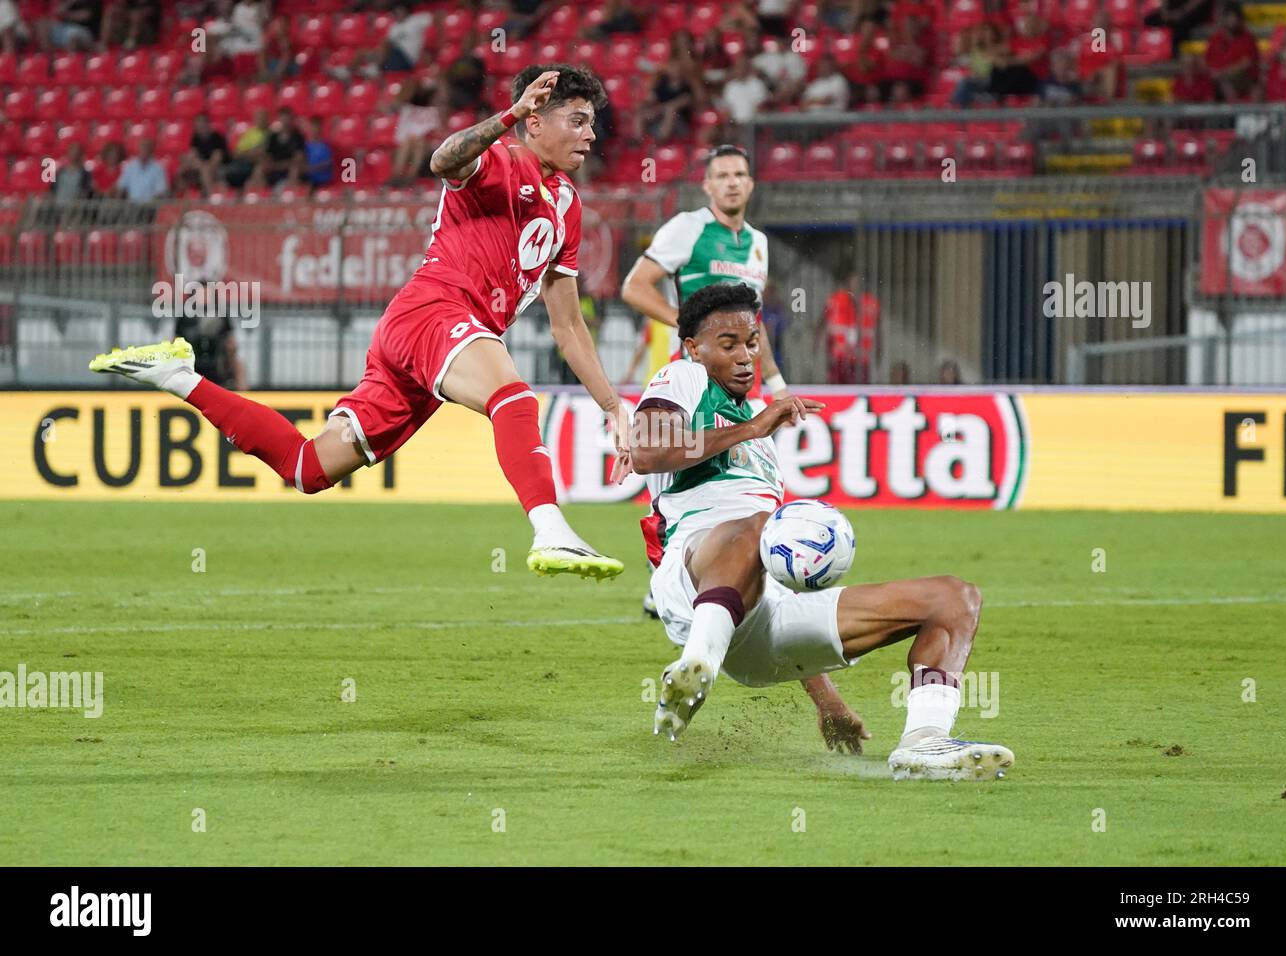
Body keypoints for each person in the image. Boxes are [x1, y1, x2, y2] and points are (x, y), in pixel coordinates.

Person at [90, 65, 628, 581]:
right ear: (535, 119)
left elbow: (569, 327)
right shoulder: (502, 161)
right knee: (513, 397)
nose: (591, 134)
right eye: (576, 120)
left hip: (427, 341)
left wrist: (612, 407)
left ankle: (177, 377)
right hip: (434, 312)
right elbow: (443, 160)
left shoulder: (568, 206)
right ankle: (550, 527)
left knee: (308, 468)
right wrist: (507, 115)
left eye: (592, 122)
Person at [631, 283, 1014, 779]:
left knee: (954, 599)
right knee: (758, 528)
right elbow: (645, 451)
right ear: (694, 349)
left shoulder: (764, 451)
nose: (746, 356)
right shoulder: (683, 378)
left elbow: (768, 565)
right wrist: (751, 428)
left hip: (760, 622)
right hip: (691, 577)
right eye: (729, 344)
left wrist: (827, 701)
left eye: (752, 342)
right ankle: (695, 666)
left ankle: (925, 743)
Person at [621, 143, 791, 618]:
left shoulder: (757, 242)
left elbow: (751, 322)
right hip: (697, 377)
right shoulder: (689, 228)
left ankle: (741, 577)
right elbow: (635, 286)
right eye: (723, 175)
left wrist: (776, 385)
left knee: (740, 480)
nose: (733, 181)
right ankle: (670, 572)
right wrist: (692, 327)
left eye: (740, 173)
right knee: (674, 469)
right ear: (708, 185)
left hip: (742, 379)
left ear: (751, 183)